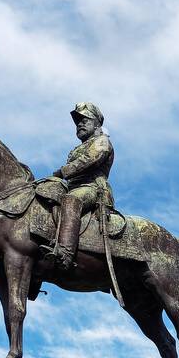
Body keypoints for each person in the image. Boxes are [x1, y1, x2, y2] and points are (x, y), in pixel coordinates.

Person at [50, 102, 115, 270]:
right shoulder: (75, 149)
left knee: (72, 200)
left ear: (97, 124)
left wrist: (62, 172)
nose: (80, 123)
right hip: (71, 186)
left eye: (85, 119)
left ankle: (65, 254)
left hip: (93, 187)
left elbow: (89, 160)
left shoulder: (102, 141)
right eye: (78, 121)